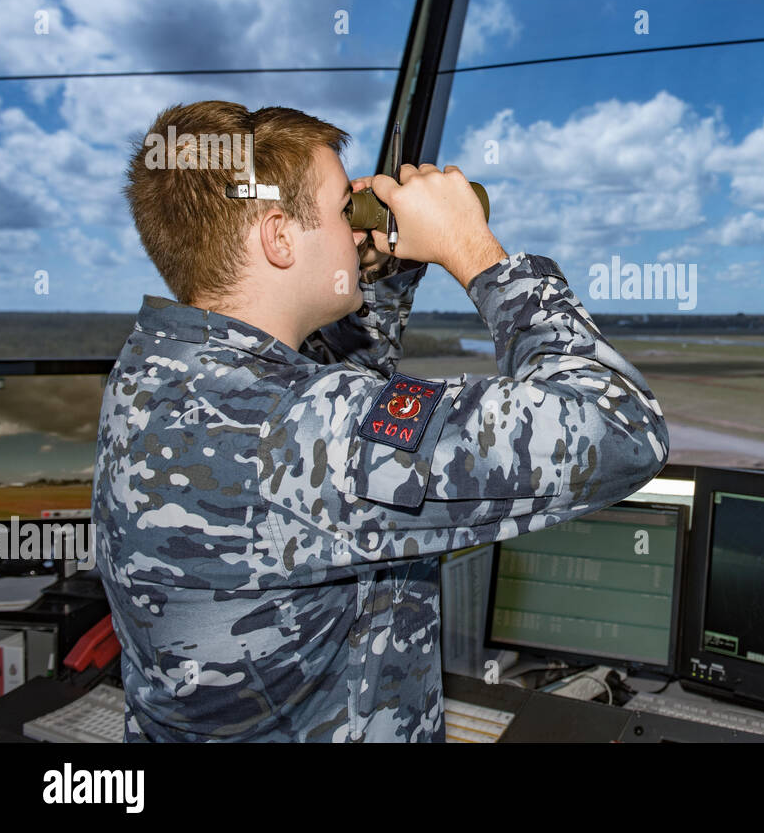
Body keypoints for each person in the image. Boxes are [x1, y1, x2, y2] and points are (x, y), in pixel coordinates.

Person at [93, 100, 669, 742]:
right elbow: (621, 426)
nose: (354, 221)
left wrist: (377, 268)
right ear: (280, 236)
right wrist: (474, 252)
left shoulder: (157, 371)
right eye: (345, 207)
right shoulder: (289, 432)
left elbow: (336, 407)